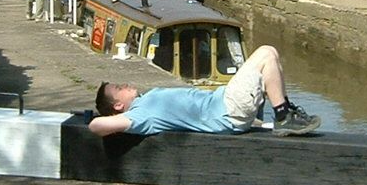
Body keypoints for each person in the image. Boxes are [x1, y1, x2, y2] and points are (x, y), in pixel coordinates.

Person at [89, 45, 321, 138]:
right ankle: (282, 116)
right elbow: (95, 127)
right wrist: (114, 118)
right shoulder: (138, 116)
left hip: (225, 103)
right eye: (119, 89)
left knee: (270, 53)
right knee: (266, 54)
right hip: (228, 110)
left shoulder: (143, 104)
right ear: (118, 105)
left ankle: (285, 111)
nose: (125, 85)